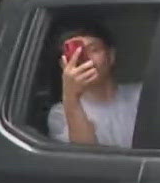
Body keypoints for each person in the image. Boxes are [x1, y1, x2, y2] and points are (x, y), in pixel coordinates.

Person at [49, 19, 142, 147]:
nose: (86, 60)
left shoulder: (141, 96)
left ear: (111, 55)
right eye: (76, 53)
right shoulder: (60, 114)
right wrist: (70, 97)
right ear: (64, 65)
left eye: (93, 50)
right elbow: (84, 160)